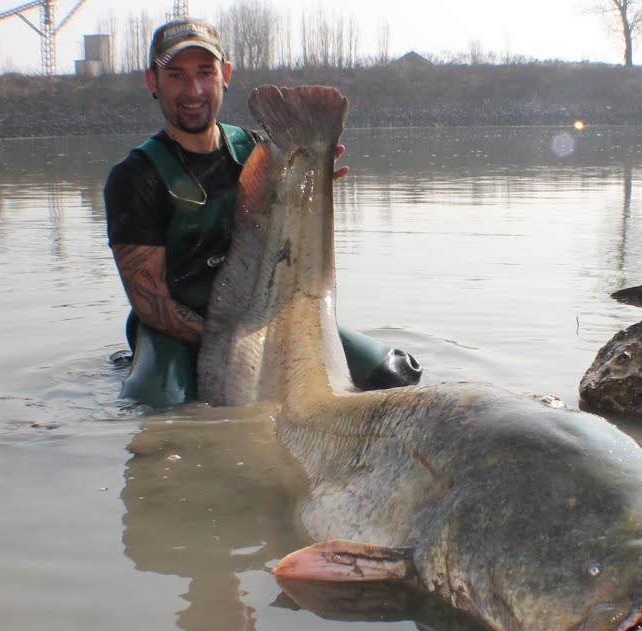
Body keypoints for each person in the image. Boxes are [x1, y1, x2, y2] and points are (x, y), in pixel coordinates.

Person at [104, 18, 420, 408]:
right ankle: (137, 367)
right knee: (160, 410)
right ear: (153, 81)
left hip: (264, 314)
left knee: (395, 375)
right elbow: (150, 302)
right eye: (175, 75)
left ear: (226, 75)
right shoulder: (134, 177)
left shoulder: (258, 149)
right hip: (175, 330)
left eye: (206, 72)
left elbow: (289, 246)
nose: (194, 90)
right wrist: (232, 345)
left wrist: (310, 192)